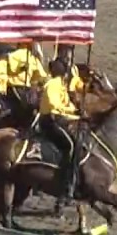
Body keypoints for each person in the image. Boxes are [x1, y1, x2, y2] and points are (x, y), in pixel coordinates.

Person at [38, 59, 82, 202]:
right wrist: (69, 110)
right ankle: (64, 177)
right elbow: (53, 104)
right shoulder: (51, 84)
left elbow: (66, 103)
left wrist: (76, 111)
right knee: (69, 145)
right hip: (50, 120)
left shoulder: (61, 85)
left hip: (60, 118)